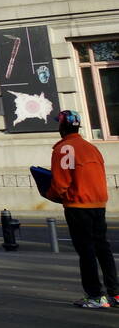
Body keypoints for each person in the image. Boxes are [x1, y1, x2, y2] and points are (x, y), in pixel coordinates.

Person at [48, 110, 118, 309]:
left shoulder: (64, 148)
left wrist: (52, 194)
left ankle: (95, 295)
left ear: (62, 126)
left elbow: (62, 181)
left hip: (78, 204)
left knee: (86, 250)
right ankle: (115, 292)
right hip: (98, 203)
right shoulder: (91, 147)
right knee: (103, 248)